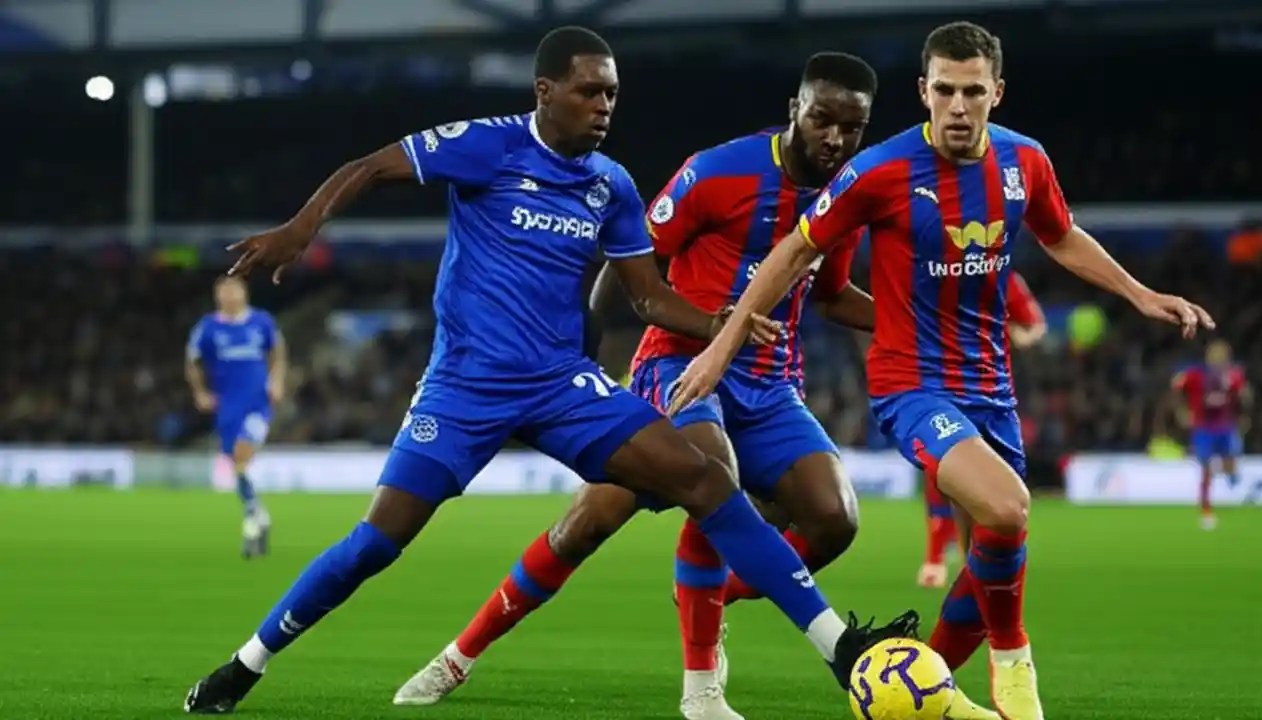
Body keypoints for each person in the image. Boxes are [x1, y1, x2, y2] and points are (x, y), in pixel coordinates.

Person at [182, 26, 914, 715]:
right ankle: (248, 661)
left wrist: (719, 326)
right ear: (544, 91)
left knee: (706, 479)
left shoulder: (612, 185)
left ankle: (840, 648)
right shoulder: (488, 148)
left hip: (561, 384)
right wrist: (302, 227)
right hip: (465, 386)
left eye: (612, 96)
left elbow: (647, 294)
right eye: (590, 92)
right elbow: (371, 167)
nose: (603, 108)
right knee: (377, 542)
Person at [393, 52, 978, 720]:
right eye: (824, 120)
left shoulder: (845, 191)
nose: (837, 140)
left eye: (853, 128)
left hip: (770, 385)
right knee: (605, 520)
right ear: (797, 110)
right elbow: (630, 263)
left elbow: (832, 292)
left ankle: (709, 593)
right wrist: (585, 349)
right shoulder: (718, 170)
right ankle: (472, 660)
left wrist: (920, 328)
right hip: (676, 367)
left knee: (833, 519)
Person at [667, 21, 1214, 720]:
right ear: (924, 92)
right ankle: (1016, 670)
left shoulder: (1025, 163)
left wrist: (1141, 295)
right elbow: (795, 253)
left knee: (994, 553)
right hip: (912, 385)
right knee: (1009, 507)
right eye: (946, 91)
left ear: (997, 93)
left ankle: (925, 694)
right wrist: (721, 344)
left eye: (974, 92)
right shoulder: (880, 172)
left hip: (991, 384)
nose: (959, 106)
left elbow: (1061, 235)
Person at [919, 270, 1043, 588]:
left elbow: (1035, 324)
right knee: (940, 474)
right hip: (938, 389)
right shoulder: (930, 272)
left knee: (993, 490)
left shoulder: (1004, 277)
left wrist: (1020, 335)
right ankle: (936, 558)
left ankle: (974, 565)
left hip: (992, 394)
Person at [185, 276, 285, 558]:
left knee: (242, 452)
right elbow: (192, 360)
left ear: (244, 293)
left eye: (234, 290)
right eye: (224, 291)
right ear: (217, 296)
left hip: (257, 404)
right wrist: (200, 392)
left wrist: (277, 380)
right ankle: (257, 514)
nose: (230, 295)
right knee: (237, 465)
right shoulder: (208, 328)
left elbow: (278, 350)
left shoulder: (261, 322)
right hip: (228, 406)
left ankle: (254, 517)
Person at [1172, 339, 1250, 530]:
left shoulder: (1234, 376)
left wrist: (1244, 411)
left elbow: (1244, 397)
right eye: (1215, 356)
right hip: (1203, 428)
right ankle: (1206, 510)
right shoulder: (1196, 375)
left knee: (1231, 467)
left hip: (1226, 427)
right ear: (1208, 358)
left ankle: (1229, 475)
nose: (1218, 360)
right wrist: (1182, 411)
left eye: (1222, 356)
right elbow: (1175, 385)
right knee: (1206, 470)